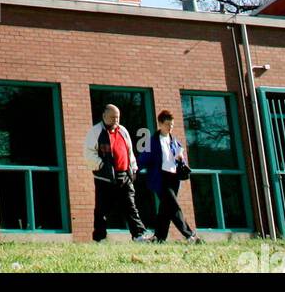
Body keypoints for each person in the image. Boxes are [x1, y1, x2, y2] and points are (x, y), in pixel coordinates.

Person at [83, 103, 150, 242]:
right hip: (105, 178)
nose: (115, 120)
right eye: (112, 117)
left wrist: (133, 168)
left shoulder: (123, 131)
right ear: (104, 116)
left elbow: (129, 151)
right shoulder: (95, 132)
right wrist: (101, 165)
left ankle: (139, 235)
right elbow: (89, 153)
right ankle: (99, 238)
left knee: (131, 206)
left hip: (124, 175)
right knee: (102, 210)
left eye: (117, 117)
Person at [140, 111, 202, 244]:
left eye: (172, 125)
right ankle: (190, 235)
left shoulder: (175, 142)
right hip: (160, 178)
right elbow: (143, 159)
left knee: (165, 209)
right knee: (173, 206)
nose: (170, 127)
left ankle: (159, 238)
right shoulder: (153, 141)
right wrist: (133, 170)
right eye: (167, 124)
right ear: (160, 123)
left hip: (173, 178)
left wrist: (181, 159)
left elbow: (181, 161)